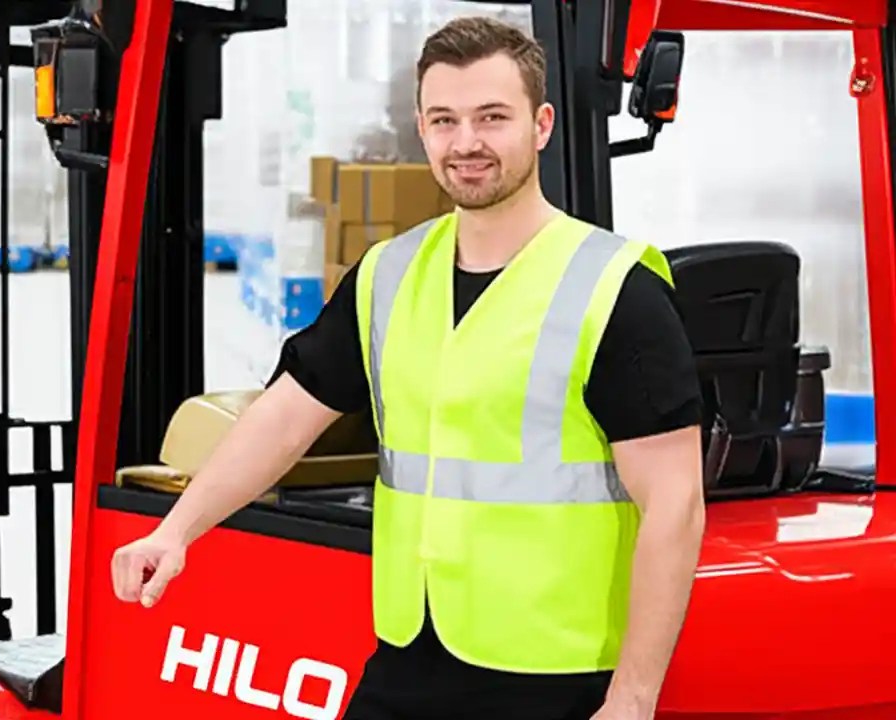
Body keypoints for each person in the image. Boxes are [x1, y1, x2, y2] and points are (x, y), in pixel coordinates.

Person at [110, 15, 706, 720]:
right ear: (423, 131)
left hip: (555, 672)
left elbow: (675, 504)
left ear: (541, 125)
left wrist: (633, 699)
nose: (467, 143)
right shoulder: (388, 276)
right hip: (411, 652)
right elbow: (283, 417)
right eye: (445, 120)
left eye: (492, 118)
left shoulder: (616, 290)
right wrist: (175, 530)